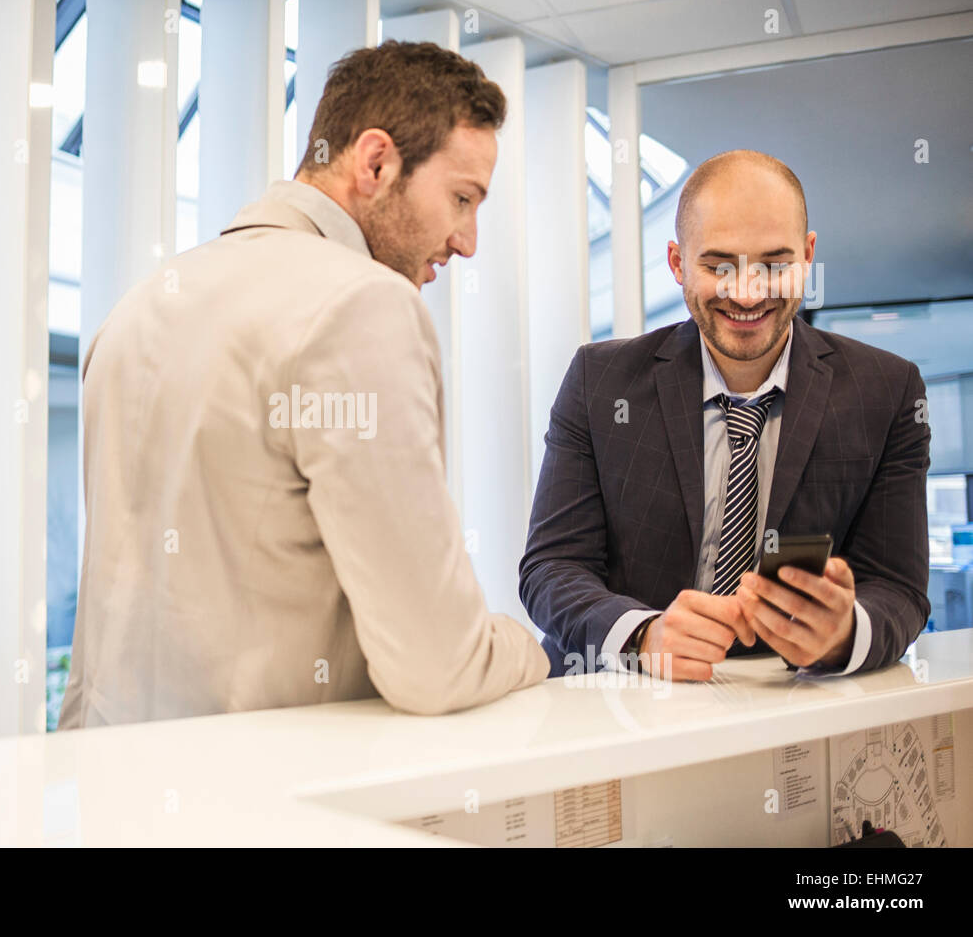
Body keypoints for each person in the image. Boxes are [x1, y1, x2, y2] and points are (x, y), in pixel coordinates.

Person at [59, 41, 548, 727]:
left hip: (105, 788)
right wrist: (530, 648)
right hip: (265, 802)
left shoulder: (139, 305)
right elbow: (438, 665)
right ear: (375, 162)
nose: (466, 240)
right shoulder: (362, 305)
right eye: (462, 199)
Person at [519, 149, 929, 681]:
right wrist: (644, 636)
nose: (747, 292)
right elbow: (551, 568)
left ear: (807, 256)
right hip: (617, 704)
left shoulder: (888, 391)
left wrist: (844, 632)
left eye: (774, 265)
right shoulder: (600, 381)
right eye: (718, 265)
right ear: (677, 263)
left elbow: (898, 587)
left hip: (791, 709)